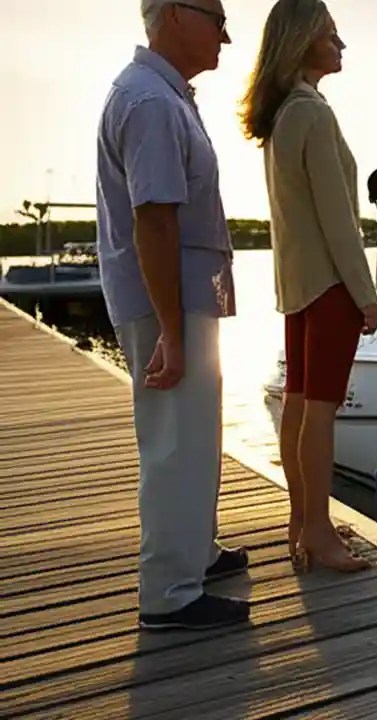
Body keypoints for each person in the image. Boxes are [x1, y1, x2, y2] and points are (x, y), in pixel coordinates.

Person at [96, 0, 249, 630]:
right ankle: (169, 592)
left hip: (183, 300)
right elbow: (154, 220)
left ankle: (195, 552)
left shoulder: (165, 95)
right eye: (218, 19)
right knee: (173, 443)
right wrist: (171, 332)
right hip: (168, 304)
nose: (226, 36)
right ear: (178, 15)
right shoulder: (151, 103)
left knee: (194, 437)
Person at [241, 0, 377, 572]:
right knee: (319, 411)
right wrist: (365, 294)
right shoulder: (313, 115)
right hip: (329, 288)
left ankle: (302, 521)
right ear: (303, 41)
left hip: (297, 287)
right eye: (331, 35)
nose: (341, 45)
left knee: (298, 406)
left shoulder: (282, 116)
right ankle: (318, 534)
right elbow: (336, 221)